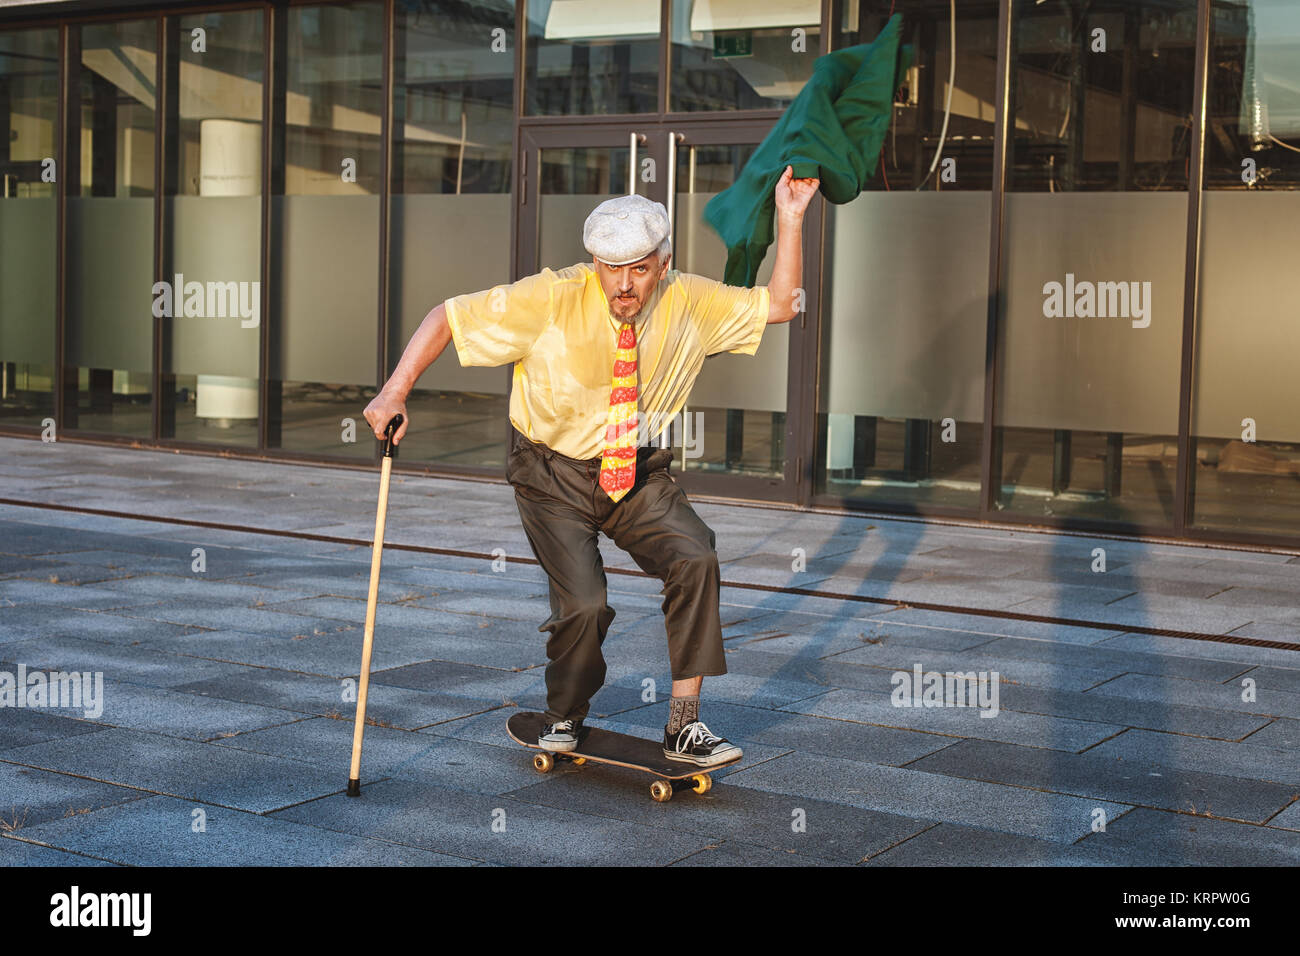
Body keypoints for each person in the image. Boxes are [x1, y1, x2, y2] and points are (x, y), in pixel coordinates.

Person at [364, 166, 819, 767]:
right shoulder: (554, 295)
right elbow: (448, 316)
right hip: (550, 473)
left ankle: (684, 725)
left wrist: (790, 218)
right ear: (594, 262)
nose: (623, 284)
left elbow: (784, 304)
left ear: (663, 261)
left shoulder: (691, 300)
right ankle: (565, 715)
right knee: (584, 605)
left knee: (696, 556)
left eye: (638, 268)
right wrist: (396, 390)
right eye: (610, 267)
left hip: (635, 470)